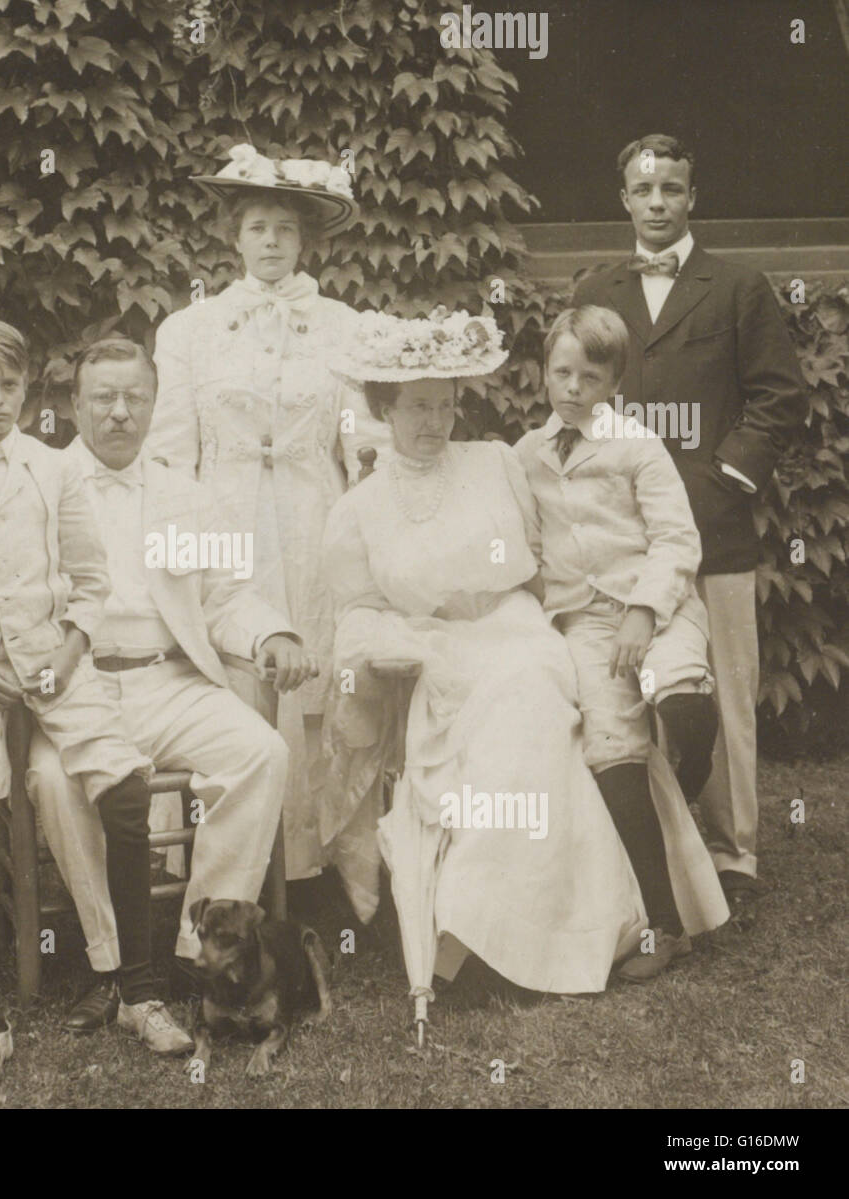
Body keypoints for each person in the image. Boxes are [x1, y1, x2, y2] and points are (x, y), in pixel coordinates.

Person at [321, 307, 726, 1018]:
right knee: (499, 725)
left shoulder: (495, 461)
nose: (434, 422)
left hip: (520, 627)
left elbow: (541, 562)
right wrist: (410, 645)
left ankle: (548, 930)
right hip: (438, 646)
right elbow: (355, 612)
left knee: (535, 704)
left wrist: (584, 619)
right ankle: (478, 930)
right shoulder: (357, 509)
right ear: (383, 406)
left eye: (446, 405)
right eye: (417, 407)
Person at [0, 320, 194, 1093]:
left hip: (57, 670)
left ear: (28, 391)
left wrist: (68, 653)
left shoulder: (57, 473)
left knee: (122, 791)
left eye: (9, 387)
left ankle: (140, 990)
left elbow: (91, 583)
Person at [26, 337, 314, 1034]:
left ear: (155, 405)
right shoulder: (36, 485)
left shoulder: (187, 495)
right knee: (55, 782)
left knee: (262, 751)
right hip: (80, 686)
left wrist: (271, 635)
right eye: (103, 398)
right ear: (73, 404)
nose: (120, 413)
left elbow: (224, 597)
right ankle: (110, 961)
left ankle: (200, 944)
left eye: (135, 398)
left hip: (171, 678)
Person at [572, 135, 808, 917]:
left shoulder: (738, 286)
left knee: (723, 686)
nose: (659, 202)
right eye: (645, 190)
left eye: (672, 188)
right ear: (625, 199)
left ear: (692, 197)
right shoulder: (597, 285)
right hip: (616, 530)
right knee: (633, 689)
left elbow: (778, 397)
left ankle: (734, 851)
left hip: (711, 522)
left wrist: (720, 478)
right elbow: (575, 392)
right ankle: (658, 853)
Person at [147, 144, 389, 882]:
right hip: (224, 518)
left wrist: (377, 459)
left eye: (285, 227)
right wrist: (176, 535)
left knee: (315, 682)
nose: (273, 242)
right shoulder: (189, 330)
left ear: (305, 239)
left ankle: (310, 870)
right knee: (234, 678)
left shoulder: (344, 325)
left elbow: (357, 429)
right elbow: (167, 450)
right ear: (234, 237)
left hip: (314, 515)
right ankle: (234, 879)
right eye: (258, 227)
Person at [515, 306, 722, 980]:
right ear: (545, 373)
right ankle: (663, 923)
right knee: (610, 745)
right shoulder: (527, 455)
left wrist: (643, 610)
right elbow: (524, 546)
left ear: (613, 382)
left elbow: (677, 539)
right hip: (585, 621)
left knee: (679, 692)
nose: (572, 387)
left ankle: (689, 765)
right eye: (561, 372)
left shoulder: (638, 445)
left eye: (590, 375)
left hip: (657, 607)